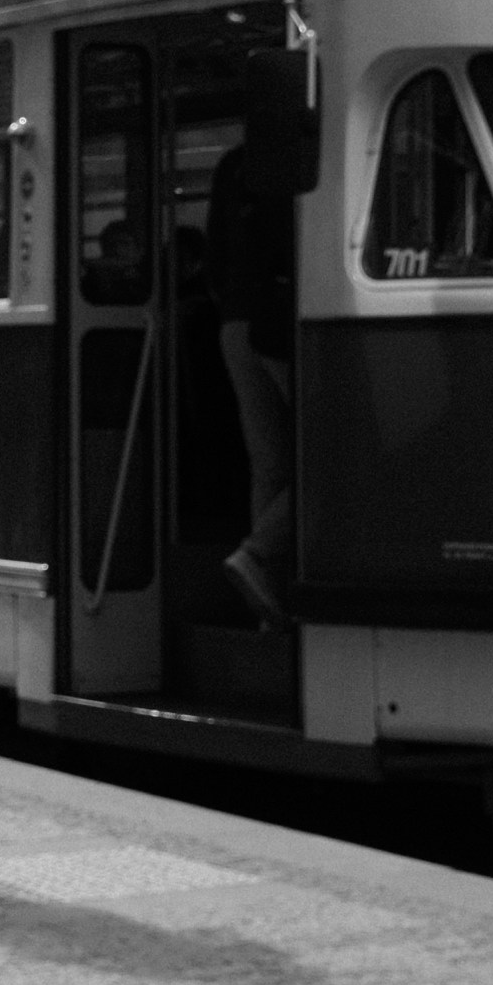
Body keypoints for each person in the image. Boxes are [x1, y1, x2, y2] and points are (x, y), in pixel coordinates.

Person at [205, 143, 297, 628]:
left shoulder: (232, 164)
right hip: (283, 321)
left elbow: (214, 256)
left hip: (234, 323)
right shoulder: (298, 155)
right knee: (328, 459)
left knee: (270, 464)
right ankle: (260, 556)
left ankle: (269, 600)